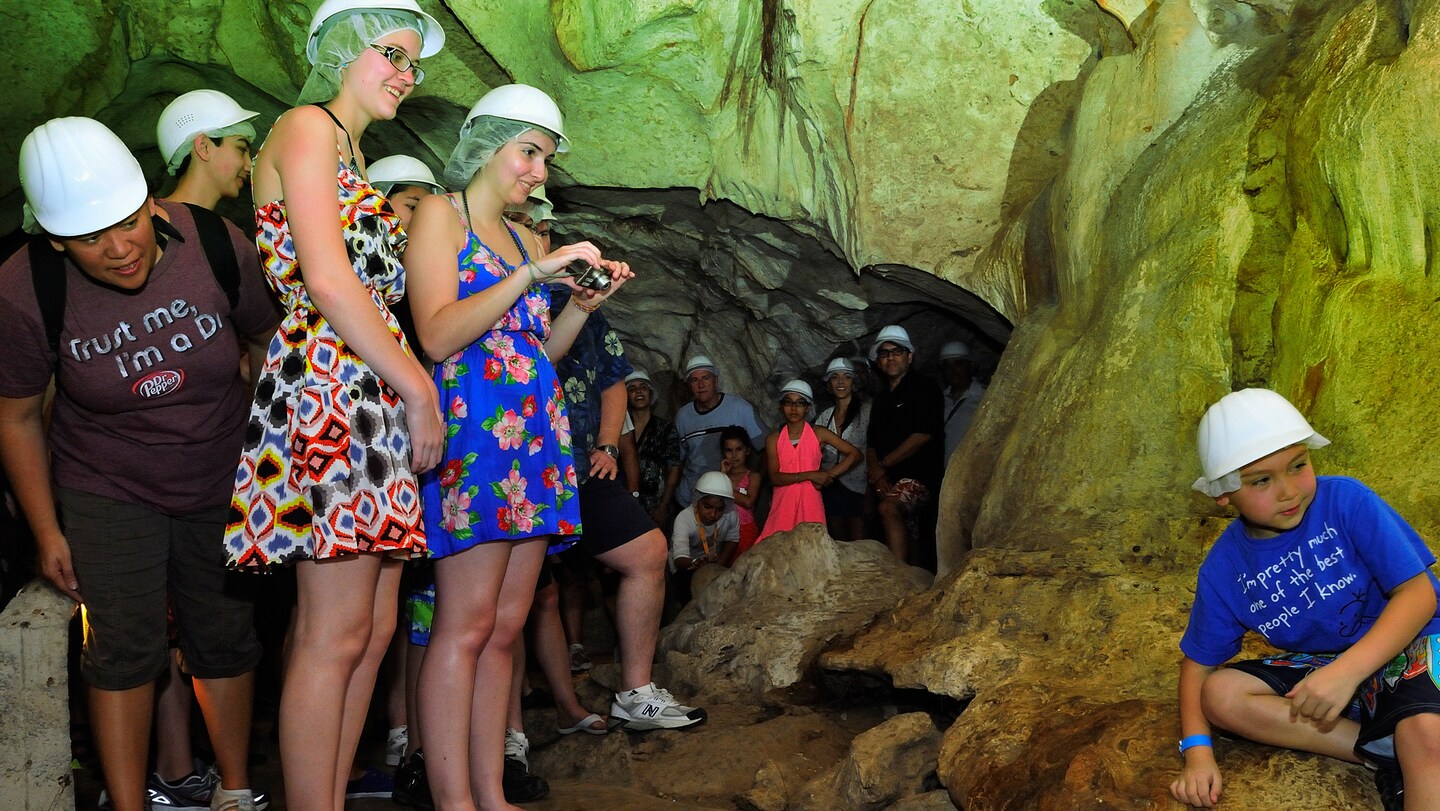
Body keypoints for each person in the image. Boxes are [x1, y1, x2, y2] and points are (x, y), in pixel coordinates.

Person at [1, 117, 277, 811]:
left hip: (220, 472)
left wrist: (276, 464)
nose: (120, 247)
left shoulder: (213, 242)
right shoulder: (25, 288)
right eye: (90, 237)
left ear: (151, 200)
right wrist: (46, 530)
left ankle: (235, 787)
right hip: (107, 487)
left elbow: (270, 338)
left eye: (129, 222)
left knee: (224, 635)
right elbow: (17, 416)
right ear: (55, 238)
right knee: (122, 647)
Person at [222, 2, 447, 808]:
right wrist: (418, 386)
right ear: (344, 48)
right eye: (392, 53)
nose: (406, 74)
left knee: (375, 627)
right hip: (329, 380)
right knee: (334, 630)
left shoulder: (350, 146)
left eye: (413, 63)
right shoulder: (308, 127)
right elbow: (326, 278)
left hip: (365, 385)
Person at [403, 83, 631, 810]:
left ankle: (490, 791)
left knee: (503, 629)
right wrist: (531, 275)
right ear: (485, 142)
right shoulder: (442, 214)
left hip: (533, 439)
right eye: (528, 151)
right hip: (474, 441)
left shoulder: (529, 238)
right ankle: (452, 798)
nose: (539, 169)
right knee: (463, 624)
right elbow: (437, 334)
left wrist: (579, 306)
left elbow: (541, 349)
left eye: (546, 157)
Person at [1171, 388, 1440, 811]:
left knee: (1425, 732)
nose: (1289, 490)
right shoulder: (1225, 568)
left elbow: (1419, 595)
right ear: (1223, 494)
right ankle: (1380, 754)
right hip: (1331, 666)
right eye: (1262, 480)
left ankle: (1411, 750)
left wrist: (1347, 673)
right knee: (1221, 693)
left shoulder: (1347, 501)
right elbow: (1198, 664)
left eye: (1298, 465)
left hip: (1417, 645)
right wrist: (1198, 752)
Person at [147, 88, 274, 811]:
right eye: (240, 146)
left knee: (178, 633)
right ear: (203, 147)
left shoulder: (221, 244)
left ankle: (182, 774)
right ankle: (205, 778)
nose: (249, 164)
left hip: (187, 472)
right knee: (184, 632)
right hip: (174, 475)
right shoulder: (215, 241)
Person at [548, 290, 707, 733]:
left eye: (544, 226)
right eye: (528, 221)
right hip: (523, 463)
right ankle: (511, 730)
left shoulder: (577, 300)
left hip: (583, 464)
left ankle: (636, 694)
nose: (539, 232)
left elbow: (612, 378)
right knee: (523, 598)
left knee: (647, 552)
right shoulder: (493, 289)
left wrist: (607, 442)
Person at [865, 325, 944, 567]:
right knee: (904, 528)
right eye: (884, 353)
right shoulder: (881, 400)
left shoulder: (925, 388)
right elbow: (871, 443)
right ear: (878, 362)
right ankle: (915, 579)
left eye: (896, 351)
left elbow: (923, 435)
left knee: (889, 508)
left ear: (910, 356)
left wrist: (882, 466)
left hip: (920, 476)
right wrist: (876, 475)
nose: (890, 357)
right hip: (888, 477)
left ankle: (899, 576)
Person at [757, 380, 860, 545]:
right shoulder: (774, 439)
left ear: (808, 408)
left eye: (800, 403)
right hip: (783, 504)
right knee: (777, 551)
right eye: (788, 402)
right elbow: (775, 478)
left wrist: (829, 475)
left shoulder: (818, 433)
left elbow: (854, 454)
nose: (793, 408)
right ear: (781, 407)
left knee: (813, 550)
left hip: (810, 501)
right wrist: (812, 475)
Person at [673, 355, 767, 509]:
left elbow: (768, 447)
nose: (701, 385)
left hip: (727, 501)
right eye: (694, 380)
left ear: (716, 380)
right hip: (689, 500)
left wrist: (757, 483)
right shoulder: (683, 416)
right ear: (689, 385)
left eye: (706, 378)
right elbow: (677, 460)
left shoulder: (740, 409)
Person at [816, 357, 871, 542]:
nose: (840, 382)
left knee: (860, 543)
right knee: (838, 541)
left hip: (859, 486)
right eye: (835, 377)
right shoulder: (825, 417)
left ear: (853, 382)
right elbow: (815, 452)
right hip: (831, 488)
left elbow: (875, 450)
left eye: (846, 377)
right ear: (829, 384)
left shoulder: (868, 412)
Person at [668, 472, 741, 605]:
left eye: (719, 509)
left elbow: (733, 540)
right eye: (707, 507)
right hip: (684, 569)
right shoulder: (684, 519)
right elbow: (679, 558)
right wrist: (696, 563)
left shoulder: (731, 515)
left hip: (713, 564)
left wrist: (716, 568)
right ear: (697, 501)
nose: (713, 514)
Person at [626, 370, 682, 528]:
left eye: (643, 387)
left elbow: (674, 467)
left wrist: (663, 506)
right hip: (627, 502)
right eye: (632, 388)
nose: (638, 391)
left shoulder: (665, 428)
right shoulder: (619, 430)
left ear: (651, 394)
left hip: (657, 504)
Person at [719, 425, 763, 557]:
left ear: (747, 450)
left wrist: (723, 486)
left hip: (745, 530)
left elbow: (748, 501)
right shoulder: (721, 476)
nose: (734, 455)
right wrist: (722, 476)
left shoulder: (753, 476)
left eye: (738, 449)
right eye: (729, 450)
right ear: (723, 452)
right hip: (722, 530)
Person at [939, 340, 985, 461]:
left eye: (958, 363)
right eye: (947, 365)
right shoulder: (937, 400)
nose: (953, 370)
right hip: (941, 474)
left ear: (970, 365)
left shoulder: (985, 398)